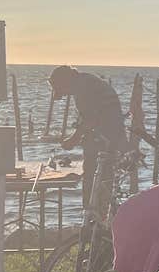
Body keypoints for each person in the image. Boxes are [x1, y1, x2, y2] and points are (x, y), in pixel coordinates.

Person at [47, 66, 128, 208]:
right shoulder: (86, 80)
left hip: (106, 138)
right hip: (112, 135)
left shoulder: (82, 88)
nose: (63, 94)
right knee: (104, 180)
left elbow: (91, 120)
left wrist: (73, 139)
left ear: (64, 80)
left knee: (93, 179)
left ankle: (92, 218)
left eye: (59, 88)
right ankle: (100, 217)